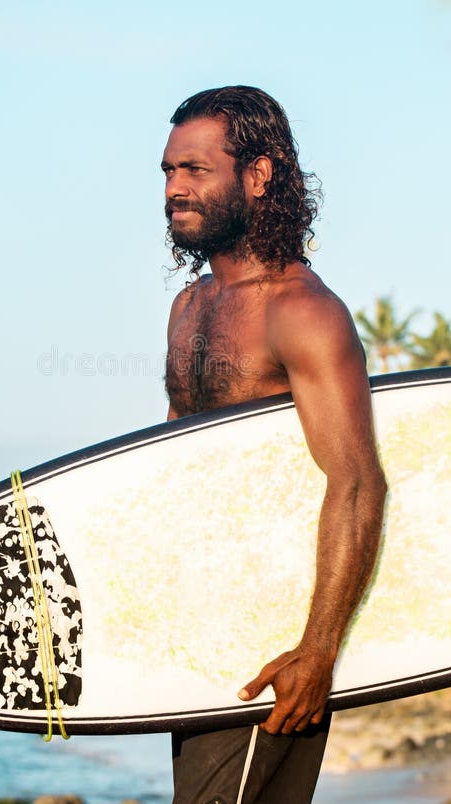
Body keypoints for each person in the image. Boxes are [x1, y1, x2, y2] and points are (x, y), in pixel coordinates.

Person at [162, 86, 387, 804]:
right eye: (168, 171)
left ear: (258, 176)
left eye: (195, 170)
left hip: (274, 640)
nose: (174, 189)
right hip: (203, 626)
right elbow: (174, 472)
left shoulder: (302, 311)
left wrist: (317, 651)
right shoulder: (190, 307)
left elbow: (357, 483)